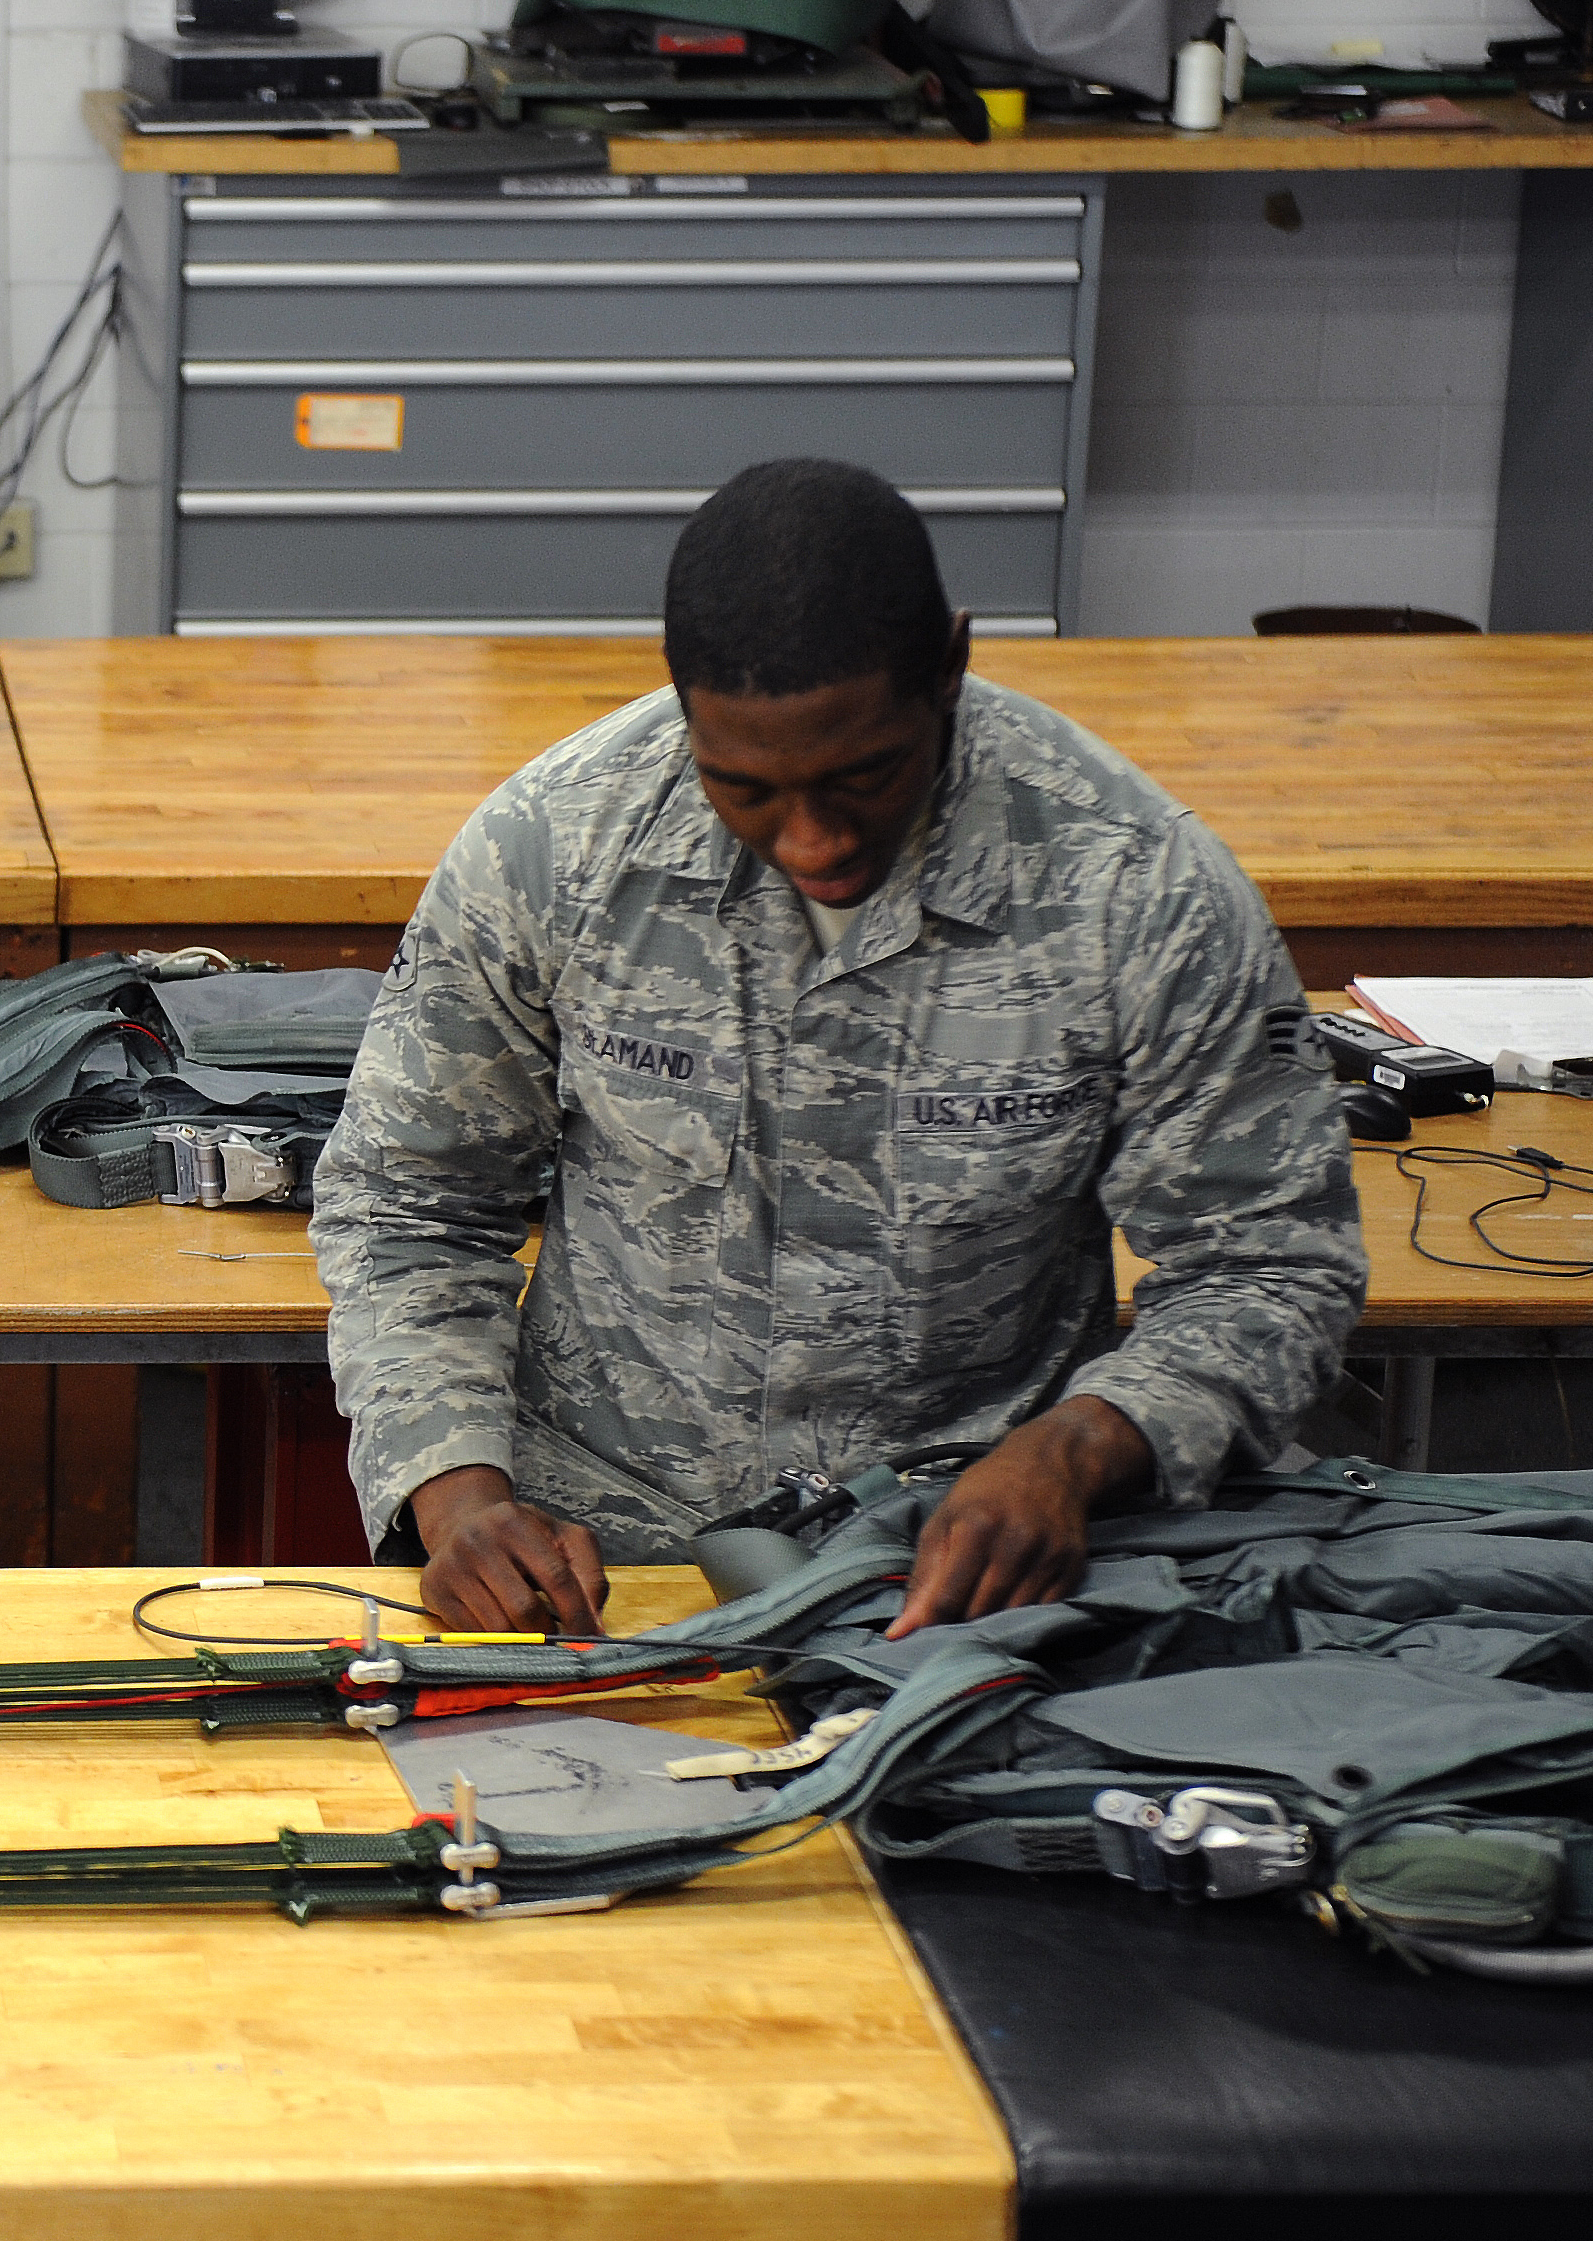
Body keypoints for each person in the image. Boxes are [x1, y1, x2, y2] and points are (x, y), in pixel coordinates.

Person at [308, 458, 1366, 1639]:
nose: (812, 839)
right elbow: (406, 1207)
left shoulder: (1133, 883)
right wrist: (456, 1496)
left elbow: (1269, 1266)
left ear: (951, 669)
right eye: (742, 788)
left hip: (961, 1570)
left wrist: (1076, 1450)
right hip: (607, 1569)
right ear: (683, 709)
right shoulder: (551, 850)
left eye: (865, 777)